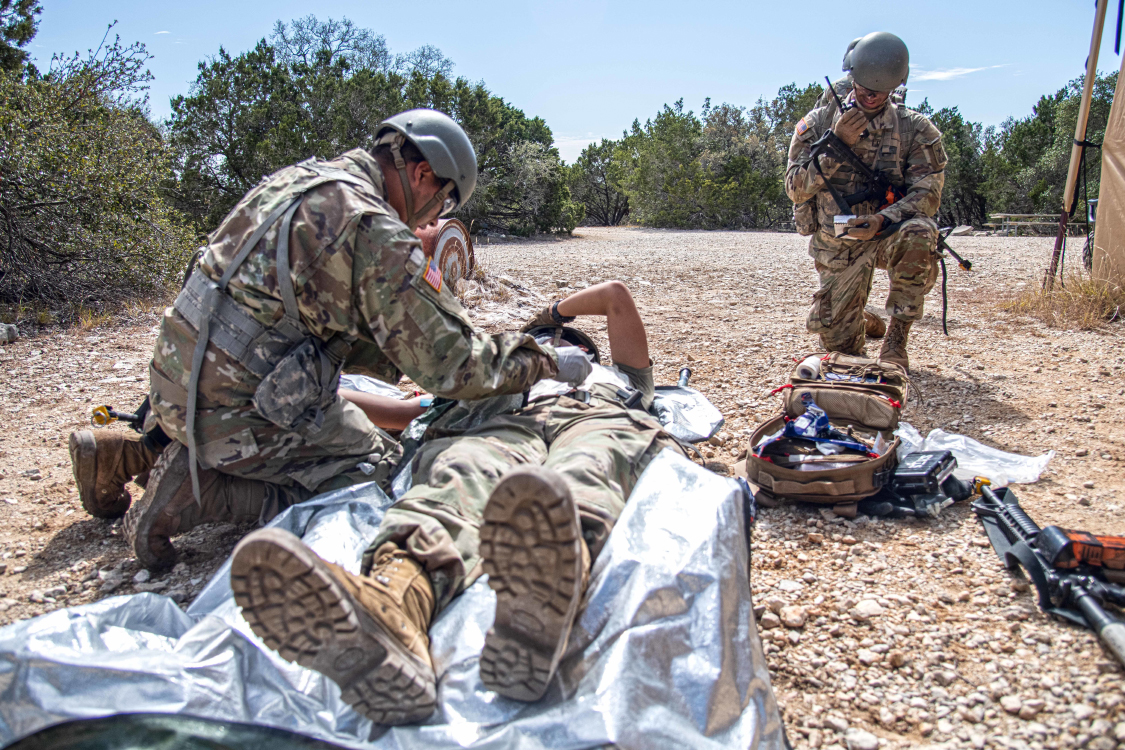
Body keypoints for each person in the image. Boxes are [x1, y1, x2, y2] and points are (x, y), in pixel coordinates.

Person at [69, 108, 592, 571]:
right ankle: (205, 494)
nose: (436, 219)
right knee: (379, 475)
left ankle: (125, 454)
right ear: (423, 173)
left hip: (171, 382)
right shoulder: (374, 230)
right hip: (232, 411)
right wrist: (544, 360)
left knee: (316, 408)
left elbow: (347, 326)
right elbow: (453, 364)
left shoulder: (300, 180)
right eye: (442, 203)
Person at [228, 281, 687, 726]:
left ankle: (550, 595)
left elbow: (614, 297)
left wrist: (550, 320)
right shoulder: (491, 377)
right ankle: (394, 605)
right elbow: (404, 412)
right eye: (542, 345)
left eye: (573, 347)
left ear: (592, 354)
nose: (556, 348)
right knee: (459, 472)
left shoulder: (622, 378)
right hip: (505, 424)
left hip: (597, 416)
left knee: (587, 469)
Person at [786, 32, 947, 371]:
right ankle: (864, 318)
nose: (871, 96)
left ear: (896, 85)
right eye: (864, 88)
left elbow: (927, 194)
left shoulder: (914, 129)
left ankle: (896, 339)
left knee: (920, 231)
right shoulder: (816, 125)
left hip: (887, 236)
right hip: (838, 245)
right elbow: (795, 189)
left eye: (880, 91)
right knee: (841, 353)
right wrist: (837, 143)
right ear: (851, 77)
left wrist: (882, 220)